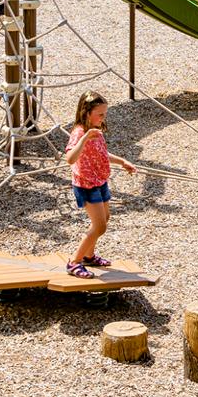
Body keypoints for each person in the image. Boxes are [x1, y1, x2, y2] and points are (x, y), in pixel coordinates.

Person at [63, 90, 136, 279]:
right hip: (86, 185)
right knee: (99, 226)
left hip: (100, 181)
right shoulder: (80, 132)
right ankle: (74, 262)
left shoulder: (97, 131)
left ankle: (88, 256)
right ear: (87, 113)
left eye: (105, 114)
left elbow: (102, 154)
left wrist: (122, 161)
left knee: (105, 217)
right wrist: (85, 138)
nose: (103, 118)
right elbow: (70, 158)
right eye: (100, 114)